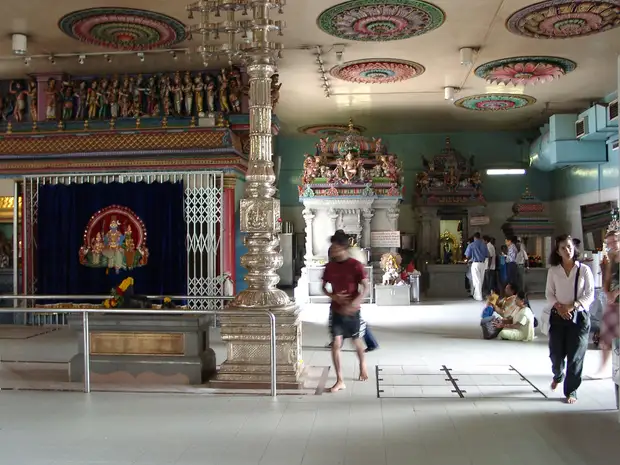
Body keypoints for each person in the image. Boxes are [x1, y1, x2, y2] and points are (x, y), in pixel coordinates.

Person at [545, 234, 594, 404]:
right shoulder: (553, 271)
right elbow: (549, 294)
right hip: (558, 316)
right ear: (558, 252)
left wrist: (572, 306)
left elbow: (590, 294)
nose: (568, 250)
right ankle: (558, 375)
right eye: (563, 248)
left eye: (569, 246)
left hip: (579, 317)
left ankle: (571, 390)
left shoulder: (584, 270)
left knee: (576, 355)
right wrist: (560, 307)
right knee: (556, 354)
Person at [322, 230, 370, 392]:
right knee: (336, 344)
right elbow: (323, 287)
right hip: (336, 310)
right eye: (332, 247)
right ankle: (340, 380)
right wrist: (333, 296)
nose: (333, 251)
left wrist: (355, 302)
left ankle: (362, 364)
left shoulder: (355, 265)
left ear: (344, 248)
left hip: (352, 311)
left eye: (336, 247)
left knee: (356, 341)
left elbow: (366, 287)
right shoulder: (330, 266)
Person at [324, 244, 379, 353]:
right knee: (348, 322)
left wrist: (356, 300)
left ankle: (370, 342)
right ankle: (337, 340)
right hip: (343, 302)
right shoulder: (350, 252)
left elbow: (361, 277)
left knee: (358, 323)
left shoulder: (351, 256)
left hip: (352, 299)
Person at [596, 229, 619, 376]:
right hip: (612, 302)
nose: (612, 245)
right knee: (607, 336)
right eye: (609, 243)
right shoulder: (611, 257)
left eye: (614, 241)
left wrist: (616, 292)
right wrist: (608, 292)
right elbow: (607, 279)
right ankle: (603, 369)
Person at [464, 232, 488, 301]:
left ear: (474, 237)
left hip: (475, 264)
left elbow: (467, 255)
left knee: (476, 280)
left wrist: (468, 260)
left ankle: (479, 296)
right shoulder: (484, 244)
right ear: (479, 237)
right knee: (481, 279)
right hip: (483, 264)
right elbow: (487, 255)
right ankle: (476, 294)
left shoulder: (471, 245)